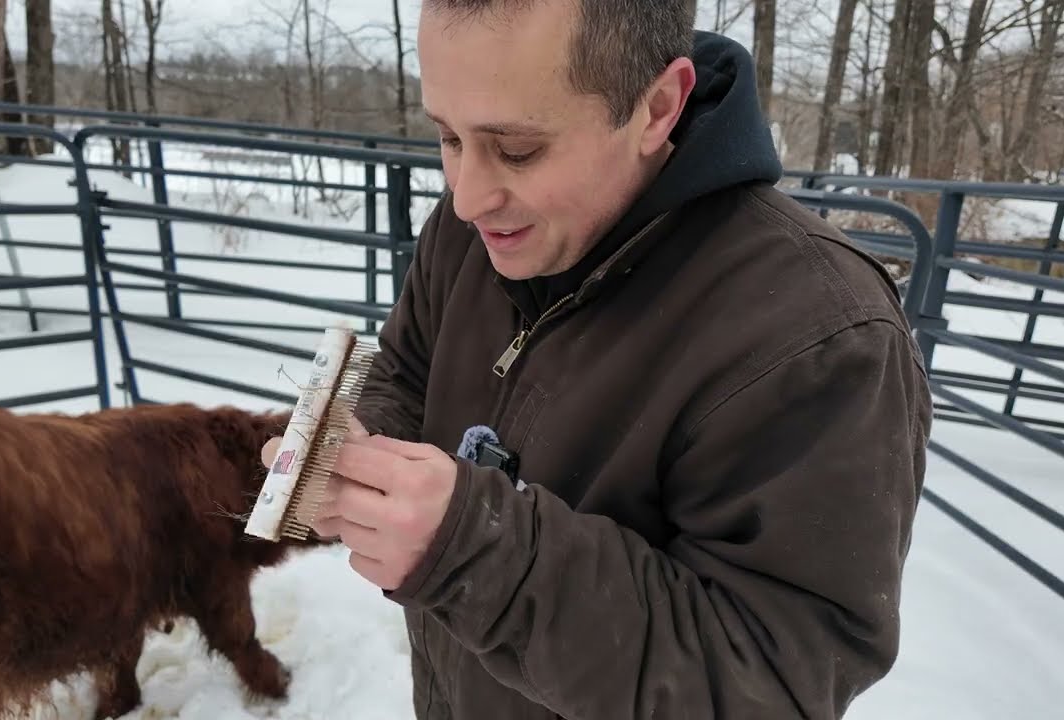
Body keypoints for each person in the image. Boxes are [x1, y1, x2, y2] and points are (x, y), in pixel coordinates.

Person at [262, 0, 932, 717]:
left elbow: (767, 683)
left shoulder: (818, 338)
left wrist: (475, 553)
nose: (466, 198)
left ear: (657, 109)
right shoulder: (477, 227)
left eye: (517, 148)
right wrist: (358, 442)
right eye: (447, 137)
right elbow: (408, 366)